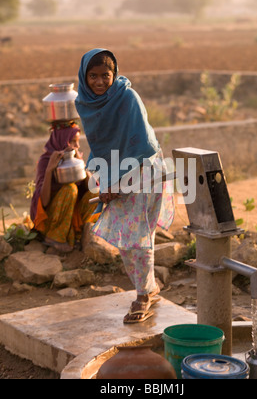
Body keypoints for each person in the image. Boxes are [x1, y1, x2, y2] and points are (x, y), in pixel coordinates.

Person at [75, 48, 175, 324]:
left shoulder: (127, 98)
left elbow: (140, 144)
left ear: (114, 74)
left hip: (143, 170)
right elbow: (102, 145)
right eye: (92, 76)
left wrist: (118, 182)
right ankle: (149, 288)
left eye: (105, 75)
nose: (98, 82)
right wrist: (105, 180)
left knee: (137, 235)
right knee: (130, 237)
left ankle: (144, 295)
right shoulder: (86, 102)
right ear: (84, 77)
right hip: (115, 174)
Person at [30, 122, 99, 253]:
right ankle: (54, 238)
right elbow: (43, 202)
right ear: (62, 141)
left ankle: (82, 236)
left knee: (96, 194)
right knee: (70, 189)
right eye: (73, 141)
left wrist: (83, 167)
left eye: (77, 141)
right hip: (52, 220)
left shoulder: (76, 161)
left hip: (72, 218)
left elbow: (94, 190)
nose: (77, 146)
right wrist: (50, 170)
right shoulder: (45, 162)